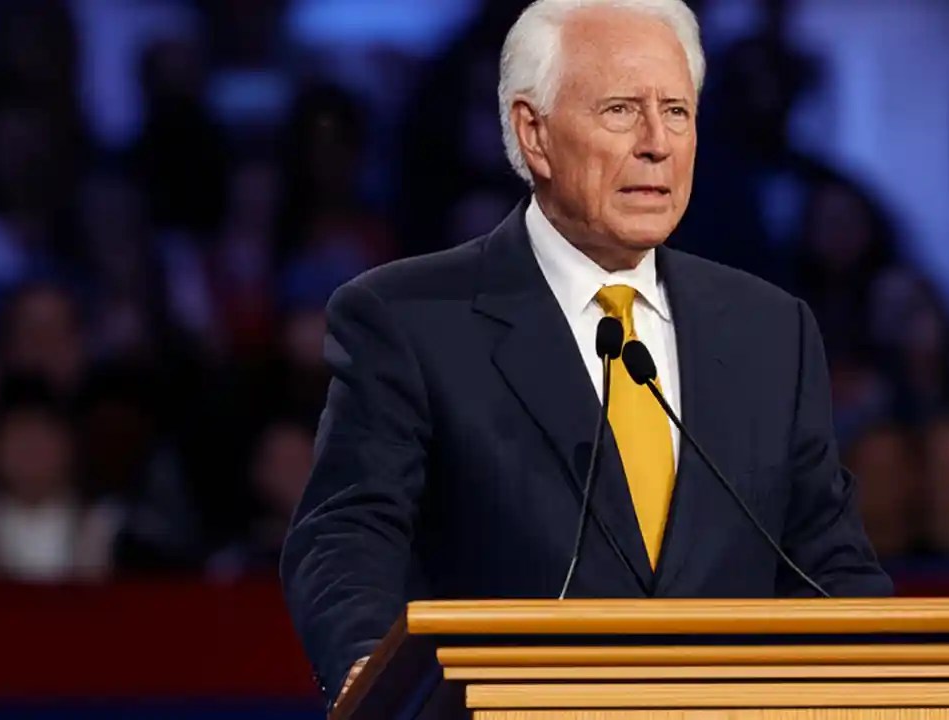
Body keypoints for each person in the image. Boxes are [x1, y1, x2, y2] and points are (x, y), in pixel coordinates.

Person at [279, 0, 891, 708]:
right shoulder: (409, 320)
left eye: (678, 113)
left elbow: (829, 562)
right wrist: (372, 680)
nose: (658, 144)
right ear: (533, 135)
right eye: (622, 111)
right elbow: (347, 537)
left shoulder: (771, 330)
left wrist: (878, 679)